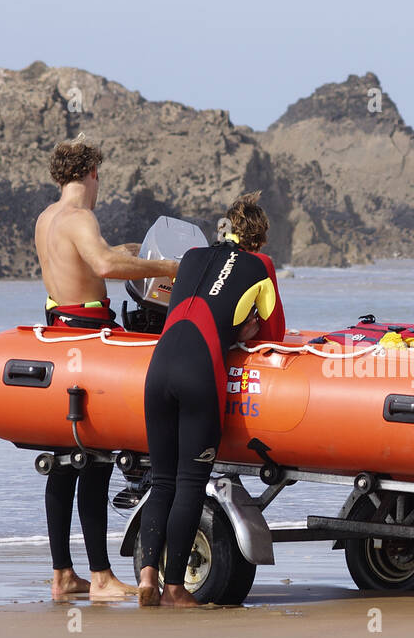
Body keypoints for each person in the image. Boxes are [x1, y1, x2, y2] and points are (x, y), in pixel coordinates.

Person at [34, 134, 180, 601]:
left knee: (63, 460)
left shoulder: (47, 218)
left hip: (58, 334)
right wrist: (170, 269)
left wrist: (126, 251)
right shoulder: (81, 217)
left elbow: (85, 261)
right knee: (95, 459)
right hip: (88, 338)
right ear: (92, 173)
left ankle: (62, 576)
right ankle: (100, 578)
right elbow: (101, 265)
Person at [137, 191, 285, 607]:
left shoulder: (192, 257)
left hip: (158, 368)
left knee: (162, 481)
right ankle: (174, 590)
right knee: (189, 482)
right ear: (260, 237)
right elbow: (273, 334)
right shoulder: (261, 266)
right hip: (199, 374)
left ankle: (147, 573)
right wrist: (244, 333)